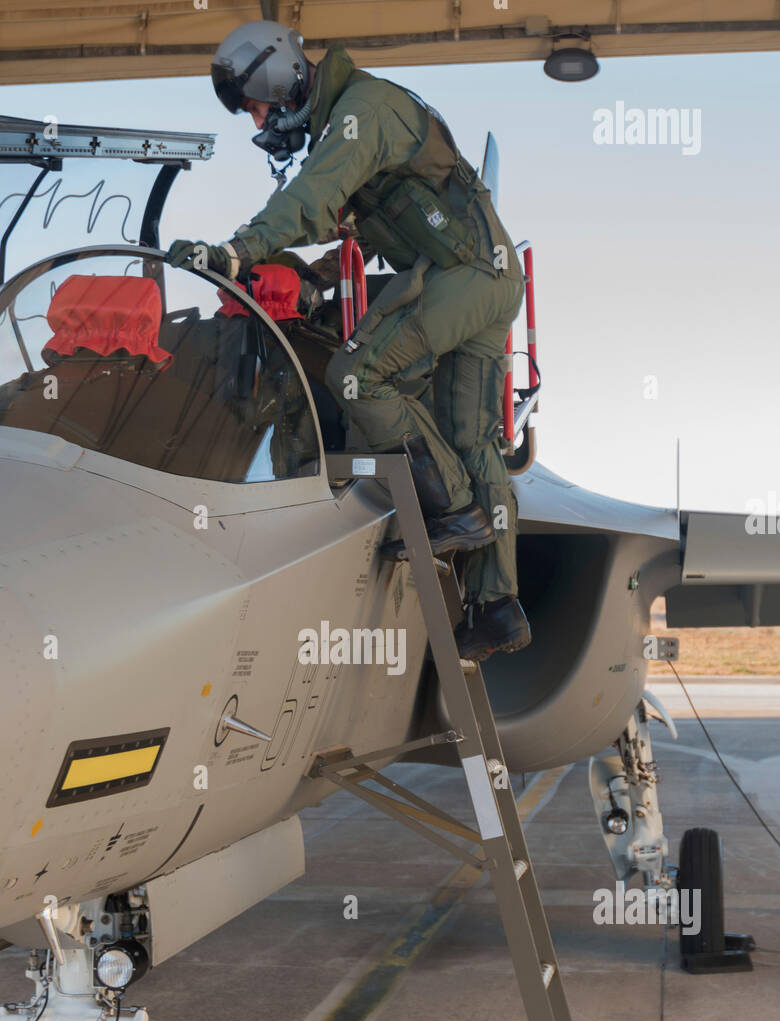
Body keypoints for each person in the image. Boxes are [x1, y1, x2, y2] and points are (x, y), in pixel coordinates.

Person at [168, 20, 532, 660]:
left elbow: (313, 199)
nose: (257, 125)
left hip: (464, 274)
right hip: (492, 276)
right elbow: (335, 224)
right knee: (470, 435)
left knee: (358, 377)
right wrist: (287, 271)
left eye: (255, 107)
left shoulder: (362, 112)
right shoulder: (354, 121)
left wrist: (233, 251)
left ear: (279, 82)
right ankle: (497, 607)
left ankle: (451, 507)